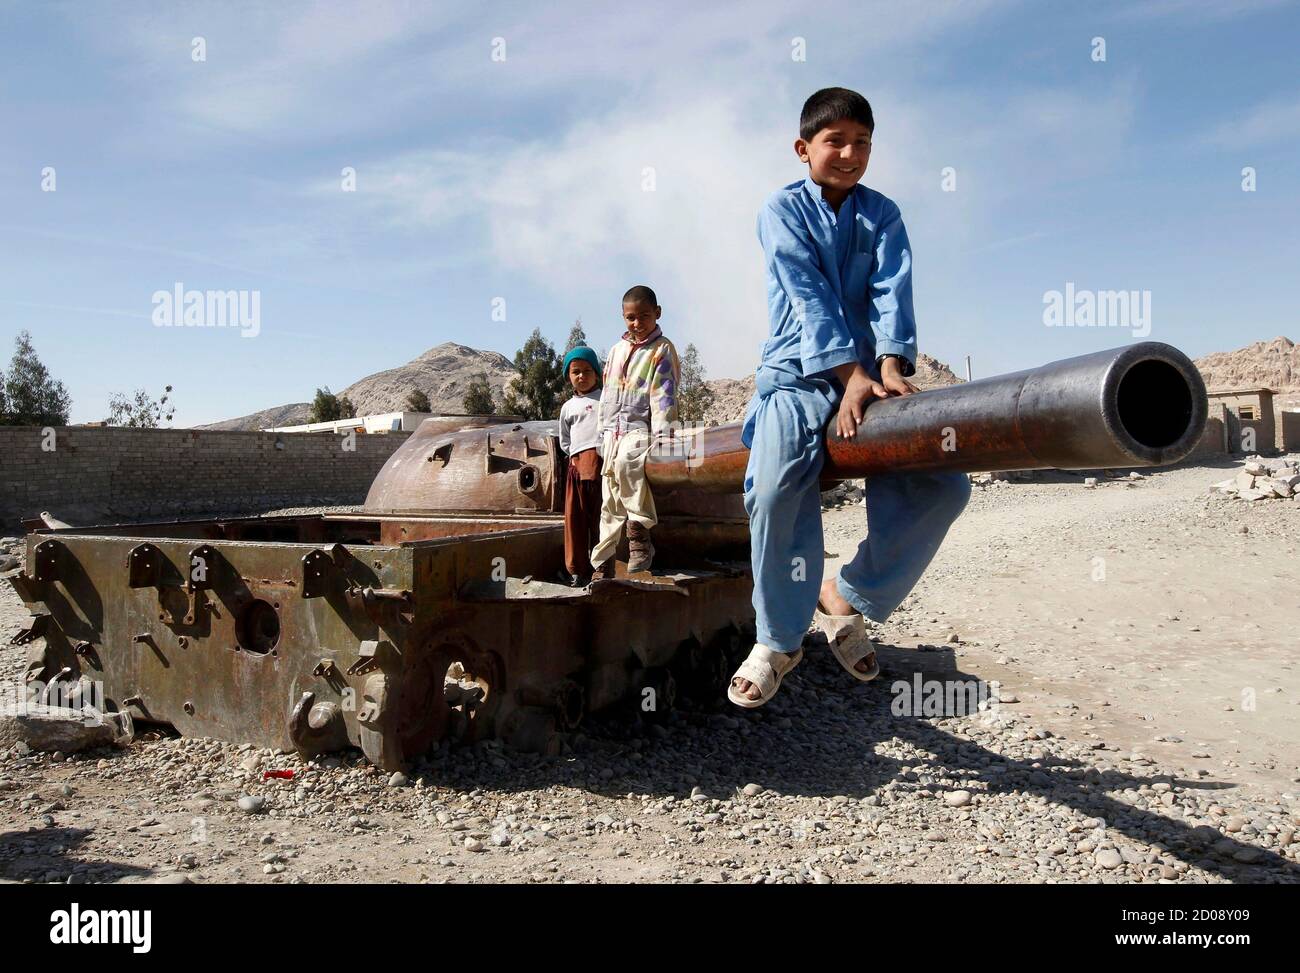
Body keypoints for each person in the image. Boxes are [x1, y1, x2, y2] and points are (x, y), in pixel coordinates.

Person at [728, 87, 971, 708]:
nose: (850, 153)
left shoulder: (881, 213)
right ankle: (779, 639)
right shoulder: (779, 210)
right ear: (803, 148)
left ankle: (847, 596)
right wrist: (846, 375)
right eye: (835, 141)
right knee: (778, 482)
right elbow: (806, 294)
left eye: (862, 142)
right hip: (796, 376)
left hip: (869, 379)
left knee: (944, 483)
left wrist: (888, 362)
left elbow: (894, 285)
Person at [589, 285, 680, 579]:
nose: (637, 323)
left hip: (640, 429)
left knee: (630, 459)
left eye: (644, 316)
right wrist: (600, 434)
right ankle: (602, 562)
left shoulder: (661, 348)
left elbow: (664, 392)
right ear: (623, 317)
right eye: (630, 318)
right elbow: (605, 397)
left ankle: (639, 533)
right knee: (610, 499)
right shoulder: (616, 351)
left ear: (658, 313)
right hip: (612, 433)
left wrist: (664, 434)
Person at [558, 345, 603, 585]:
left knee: (602, 518)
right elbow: (565, 439)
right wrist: (575, 459)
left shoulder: (606, 400)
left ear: (597, 373)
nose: (582, 376)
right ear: (569, 376)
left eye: (587, 371)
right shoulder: (567, 407)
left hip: (602, 467)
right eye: (576, 372)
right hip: (576, 468)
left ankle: (601, 566)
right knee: (574, 519)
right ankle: (576, 569)